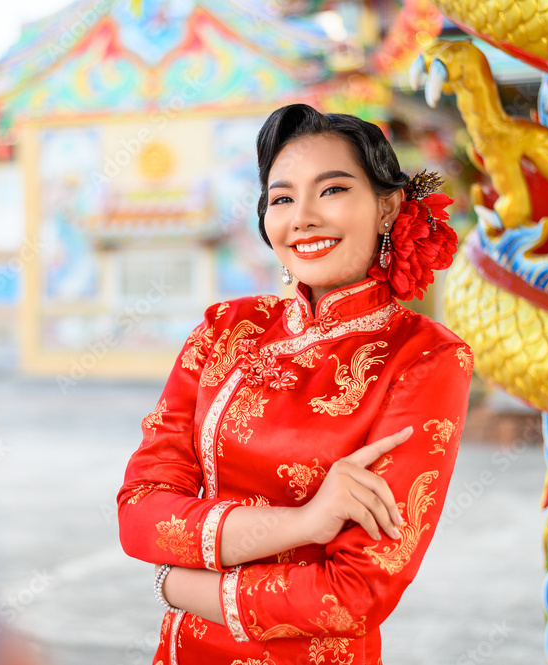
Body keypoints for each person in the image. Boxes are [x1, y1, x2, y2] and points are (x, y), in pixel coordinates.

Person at [116, 103, 474, 664]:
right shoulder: (224, 329)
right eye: (282, 198)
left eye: (331, 191)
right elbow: (139, 513)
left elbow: (352, 596)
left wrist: (175, 585)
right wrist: (305, 523)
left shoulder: (425, 358)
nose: (301, 217)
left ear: (388, 207)